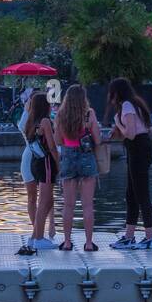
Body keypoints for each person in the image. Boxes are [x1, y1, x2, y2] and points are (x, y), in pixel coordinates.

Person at [108, 78, 152, 250]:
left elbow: (130, 133)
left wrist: (117, 122)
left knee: (141, 194)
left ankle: (150, 238)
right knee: (131, 194)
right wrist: (116, 130)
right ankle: (129, 236)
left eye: (112, 93)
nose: (110, 97)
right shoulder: (132, 104)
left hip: (139, 149)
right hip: (135, 149)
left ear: (117, 93)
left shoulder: (128, 106)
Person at [54, 84, 102, 252]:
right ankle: (88, 243)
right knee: (87, 205)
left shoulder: (61, 115)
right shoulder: (89, 114)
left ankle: (67, 242)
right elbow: (97, 140)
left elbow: (58, 140)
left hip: (68, 157)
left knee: (68, 205)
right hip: (86, 157)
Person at [16, 90, 56, 252]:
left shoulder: (36, 120)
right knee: (37, 197)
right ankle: (37, 234)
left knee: (43, 197)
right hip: (36, 158)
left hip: (34, 158)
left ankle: (36, 234)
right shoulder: (33, 120)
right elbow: (52, 145)